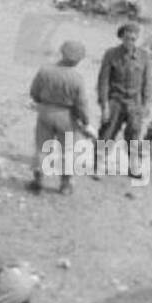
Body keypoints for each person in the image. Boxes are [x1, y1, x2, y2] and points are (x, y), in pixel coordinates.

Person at [27, 39, 94, 194]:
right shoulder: (77, 79)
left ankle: (38, 181)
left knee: (43, 147)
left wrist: (42, 104)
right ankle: (65, 184)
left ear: (62, 53)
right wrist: (85, 122)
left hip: (45, 113)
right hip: (67, 117)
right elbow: (81, 104)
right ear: (78, 60)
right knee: (68, 151)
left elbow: (34, 93)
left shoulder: (45, 71)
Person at [97, 21, 150, 147]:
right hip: (115, 101)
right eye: (127, 38)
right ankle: (97, 164)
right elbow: (103, 82)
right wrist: (104, 106)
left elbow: (146, 82)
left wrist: (145, 105)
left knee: (134, 138)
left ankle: (132, 166)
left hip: (134, 103)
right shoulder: (111, 54)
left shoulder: (143, 56)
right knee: (106, 136)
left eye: (133, 39)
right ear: (122, 37)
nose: (130, 42)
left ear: (136, 39)